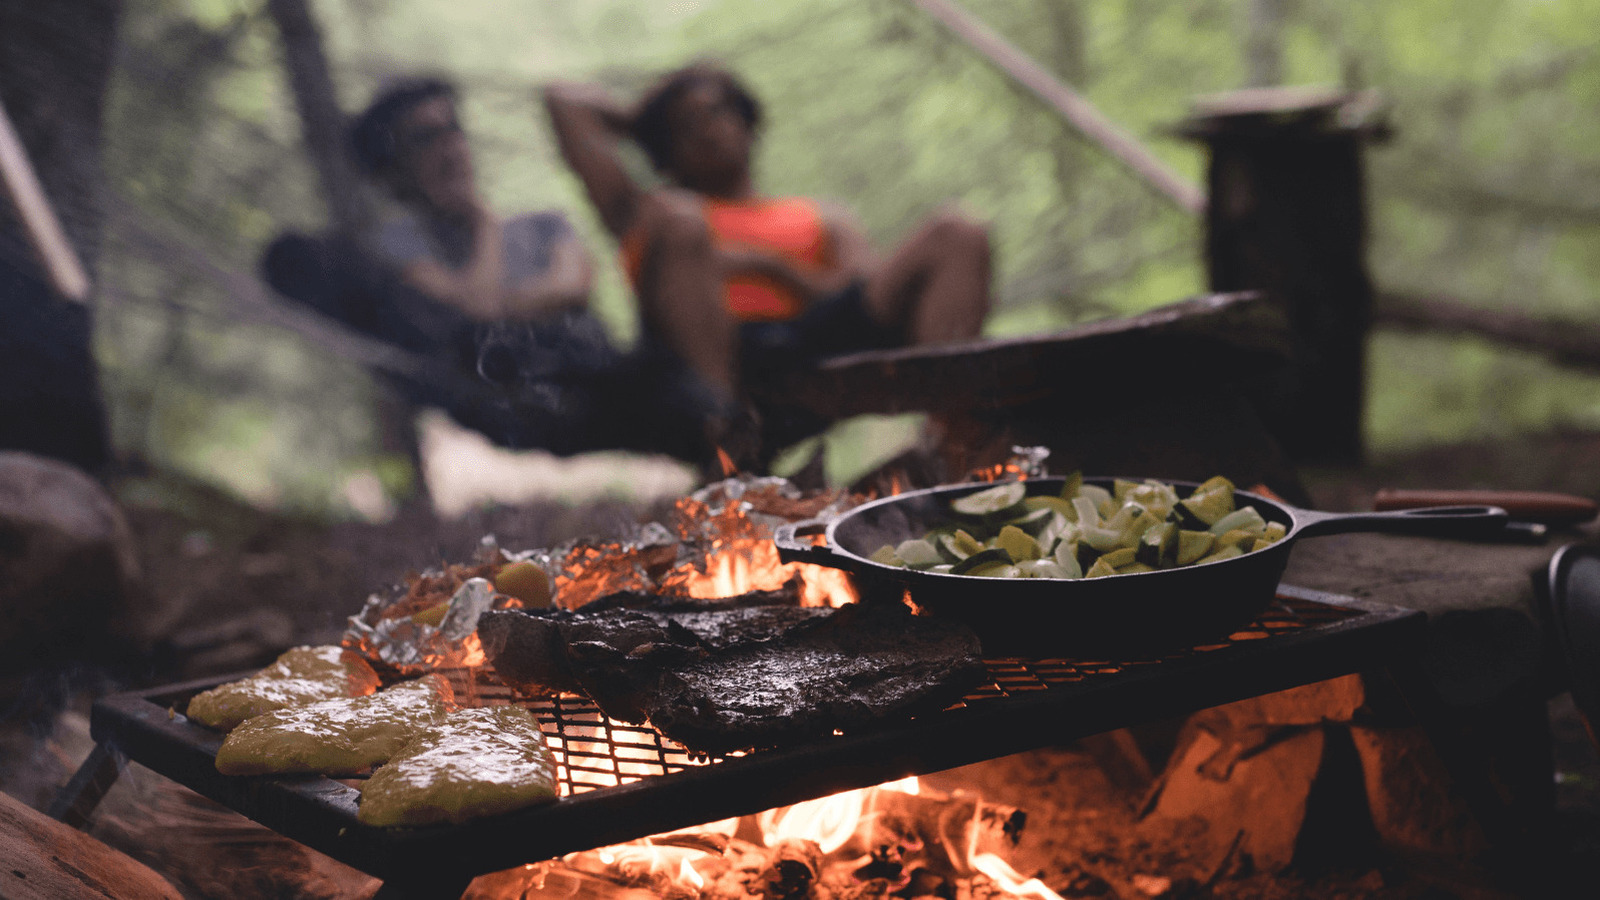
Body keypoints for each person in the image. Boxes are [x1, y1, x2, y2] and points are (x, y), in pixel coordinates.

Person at [542, 64, 993, 450]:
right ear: (665, 151)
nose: (705, 129)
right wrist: (645, 121)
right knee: (682, 220)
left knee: (958, 231)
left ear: (747, 122)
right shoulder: (647, 213)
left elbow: (864, 296)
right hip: (710, 363)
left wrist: (770, 268)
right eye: (684, 125)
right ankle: (727, 436)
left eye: (716, 111)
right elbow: (563, 102)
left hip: (815, 337)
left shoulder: (821, 217)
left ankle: (948, 437)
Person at [305, 76, 715, 460]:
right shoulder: (399, 245)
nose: (449, 147)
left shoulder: (544, 223)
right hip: (530, 403)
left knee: (679, 237)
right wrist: (482, 222)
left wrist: (492, 303)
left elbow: (571, 287)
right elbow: (478, 312)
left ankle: (725, 439)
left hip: (608, 374)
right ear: (396, 164)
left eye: (453, 129)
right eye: (425, 138)